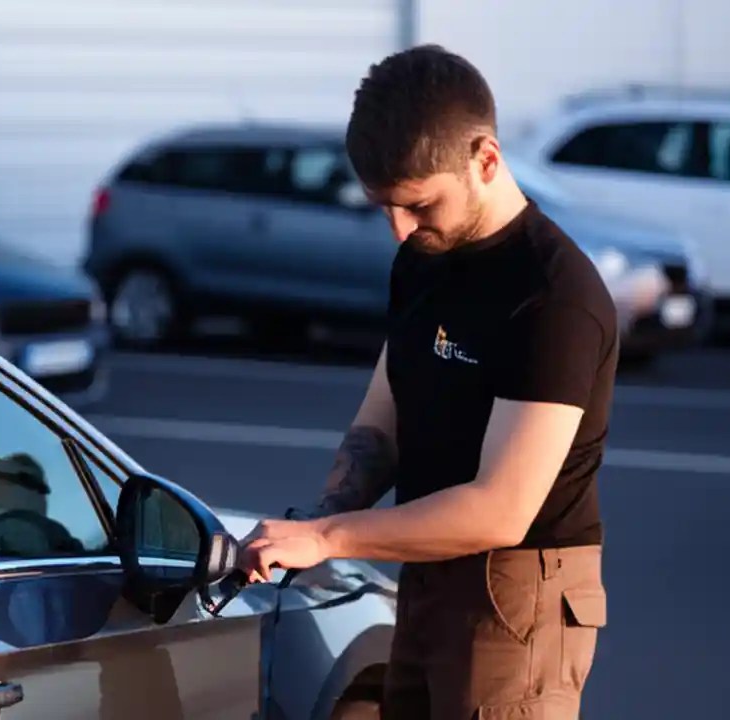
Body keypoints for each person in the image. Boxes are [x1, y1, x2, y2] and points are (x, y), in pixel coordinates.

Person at [237, 44, 618, 720]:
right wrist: (312, 524)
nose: (400, 229)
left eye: (417, 205)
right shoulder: (423, 258)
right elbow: (383, 418)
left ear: (487, 159)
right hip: (422, 566)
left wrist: (332, 540)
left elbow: (502, 508)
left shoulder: (554, 295)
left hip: (517, 595)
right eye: (383, 206)